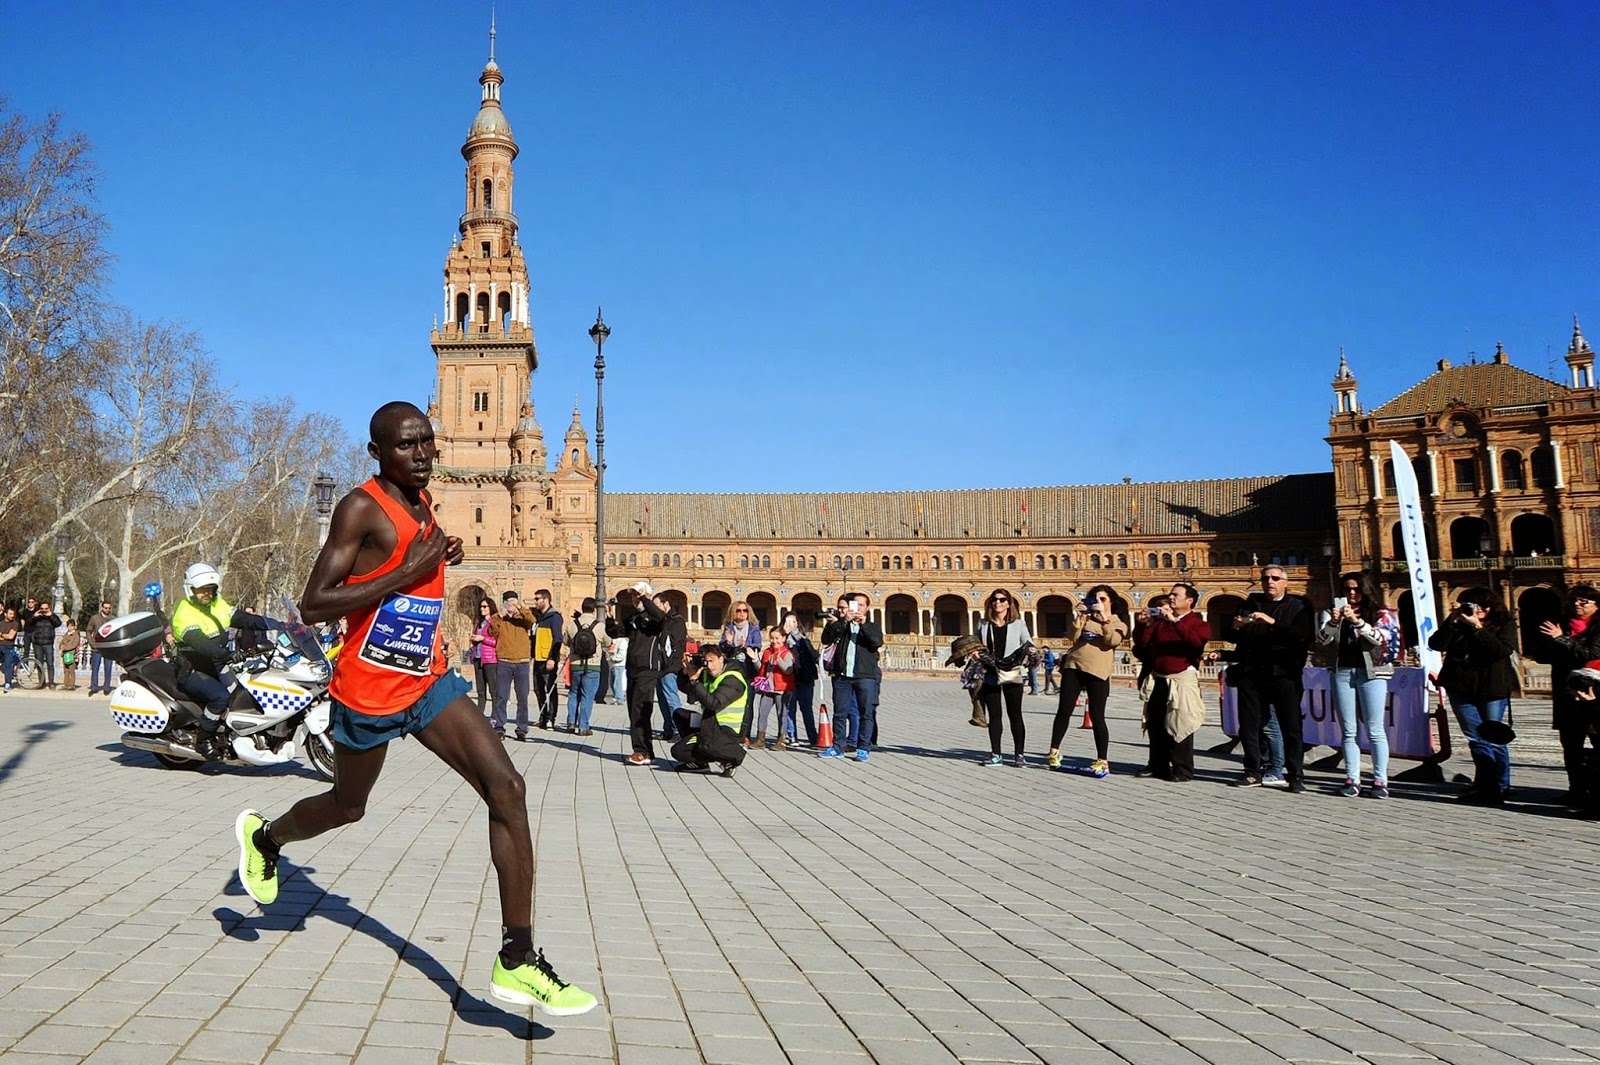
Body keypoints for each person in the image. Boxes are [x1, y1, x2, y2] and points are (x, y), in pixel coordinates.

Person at [231, 400, 597, 1017]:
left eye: (426, 441)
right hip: (368, 691)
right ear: (378, 453)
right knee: (349, 807)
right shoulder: (360, 507)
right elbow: (315, 602)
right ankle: (265, 839)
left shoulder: (422, 497)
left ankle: (517, 957)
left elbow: (412, 570)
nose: (423, 453)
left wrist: (440, 554)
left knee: (507, 787)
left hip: (426, 681)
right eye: (407, 445)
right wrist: (409, 570)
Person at [1219, 565, 1314, 792]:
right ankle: (1252, 771)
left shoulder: (1300, 605)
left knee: (1290, 726)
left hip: (1284, 674)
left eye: (1275, 578)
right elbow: (1230, 635)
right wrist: (1236, 625)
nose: (1269, 582)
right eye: (1265, 578)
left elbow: (1302, 636)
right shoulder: (1249, 603)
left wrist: (1270, 622)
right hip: (1252, 673)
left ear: (1285, 582)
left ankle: (1295, 775)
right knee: (1249, 726)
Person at [170, 563, 273, 760]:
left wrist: (272, 624)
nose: (206, 593)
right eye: (201, 590)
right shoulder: (184, 613)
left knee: (243, 693)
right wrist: (226, 655)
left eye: (210, 589)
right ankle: (203, 740)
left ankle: (233, 734)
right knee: (220, 698)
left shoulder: (217, 604)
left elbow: (242, 618)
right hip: (193, 669)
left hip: (216, 665)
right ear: (190, 590)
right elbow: (200, 643)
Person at [1316, 571, 1401, 799]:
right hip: (1342, 672)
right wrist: (1334, 622)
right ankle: (1352, 778)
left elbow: (1381, 639)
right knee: (1348, 730)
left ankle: (1380, 780)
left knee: (1375, 729)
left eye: (1356, 589)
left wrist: (1357, 622)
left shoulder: (1382, 613)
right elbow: (1323, 640)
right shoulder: (1330, 612)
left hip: (1372, 673)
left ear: (1365, 589)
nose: (1351, 594)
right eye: (1346, 589)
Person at [1430, 588, 1519, 805]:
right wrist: (1452, 621)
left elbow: (1501, 650)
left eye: (1481, 606)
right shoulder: (1457, 624)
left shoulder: (1504, 624)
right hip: (1460, 687)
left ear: (1492, 608)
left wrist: (1478, 628)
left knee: (1493, 737)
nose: (1476, 610)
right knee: (1476, 738)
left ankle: (1500, 785)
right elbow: (1436, 644)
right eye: (1470, 605)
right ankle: (1486, 786)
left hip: (1491, 687)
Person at [1047, 584, 1129, 776]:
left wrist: (1104, 620)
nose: (1098, 603)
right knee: (1063, 710)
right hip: (1074, 667)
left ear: (1111, 602)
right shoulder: (1086, 619)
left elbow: (1112, 641)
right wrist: (1079, 617)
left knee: (1097, 715)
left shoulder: (1118, 622)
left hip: (1098, 671)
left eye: (1103, 599)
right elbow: (1073, 637)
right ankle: (1054, 751)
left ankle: (1102, 759)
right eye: (1095, 599)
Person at [1134, 583, 1209, 782]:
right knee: (1156, 723)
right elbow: (1142, 641)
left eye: (1176, 594)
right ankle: (1157, 765)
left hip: (1182, 678)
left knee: (1181, 722)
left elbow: (1195, 642)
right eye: (1171, 594)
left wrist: (1175, 621)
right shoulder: (1161, 622)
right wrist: (1143, 623)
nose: (1171, 597)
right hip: (1159, 677)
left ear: (1189, 601)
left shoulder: (1197, 622)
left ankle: (1182, 769)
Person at [1539, 585, 1600, 814]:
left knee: (1598, 742)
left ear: (1596, 605)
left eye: (1584, 601)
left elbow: (1591, 654)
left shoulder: (1597, 627)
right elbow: (1542, 655)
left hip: (1594, 693)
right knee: (1571, 744)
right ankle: (1576, 790)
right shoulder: (1561, 625)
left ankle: (1595, 792)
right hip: (1567, 693)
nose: (1577, 604)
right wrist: (1549, 640)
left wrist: (1561, 640)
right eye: (1575, 600)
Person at [974, 588, 1036, 768]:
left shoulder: (1018, 624)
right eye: (994, 600)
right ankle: (996, 754)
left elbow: (1028, 641)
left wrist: (1031, 649)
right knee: (995, 715)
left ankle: (1019, 754)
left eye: (1002, 600)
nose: (997, 603)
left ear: (1009, 603)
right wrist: (974, 653)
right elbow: (976, 643)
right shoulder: (983, 624)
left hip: (1011, 670)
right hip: (991, 671)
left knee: (1015, 714)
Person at [611, 583, 671, 766]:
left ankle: (642, 751)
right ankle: (645, 751)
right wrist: (608, 618)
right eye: (632, 597)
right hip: (633, 668)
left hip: (648, 668)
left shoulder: (655, 618)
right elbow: (617, 632)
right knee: (633, 710)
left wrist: (645, 598)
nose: (634, 599)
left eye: (637, 595)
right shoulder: (634, 617)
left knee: (641, 710)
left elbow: (661, 617)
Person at [820, 592, 882, 762]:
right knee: (840, 713)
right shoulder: (841, 625)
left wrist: (863, 626)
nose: (858, 608)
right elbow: (826, 638)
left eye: (861, 605)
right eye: (855, 605)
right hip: (842, 675)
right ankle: (837, 746)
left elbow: (876, 642)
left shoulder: (873, 626)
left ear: (867, 608)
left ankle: (863, 748)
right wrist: (843, 621)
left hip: (865, 676)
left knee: (866, 713)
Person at [670, 644, 747, 776]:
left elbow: (713, 703)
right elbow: (688, 690)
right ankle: (701, 763)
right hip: (709, 724)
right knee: (679, 715)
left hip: (727, 730)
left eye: (712, 661)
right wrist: (685, 672)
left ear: (721, 658)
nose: (710, 667)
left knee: (679, 750)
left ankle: (732, 755)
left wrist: (695, 681)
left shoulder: (733, 679)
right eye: (706, 662)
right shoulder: (706, 673)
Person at [489, 592, 534, 740]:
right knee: (501, 696)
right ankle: (499, 726)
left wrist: (520, 608)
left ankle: (521, 728)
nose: (511, 605)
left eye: (513, 602)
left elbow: (532, 620)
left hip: (522, 662)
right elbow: (492, 632)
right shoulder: (500, 618)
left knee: (522, 697)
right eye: (508, 602)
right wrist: (499, 617)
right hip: (504, 662)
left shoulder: (523, 618)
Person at [563, 597, 610, 736]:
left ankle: (571, 722)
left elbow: (566, 641)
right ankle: (583, 726)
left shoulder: (572, 624)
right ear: (594, 609)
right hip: (593, 665)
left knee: (573, 693)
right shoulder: (599, 626)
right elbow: (607, 641)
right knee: (587, 696)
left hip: (576, 664)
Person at [751, 626, 795, 749]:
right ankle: (760, 739)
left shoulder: (787, 654)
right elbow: (762, 670)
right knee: (762, 713)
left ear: (784, 638)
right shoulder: (767, 652)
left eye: (777, 638)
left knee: (782, 714)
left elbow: (788, 670)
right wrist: (755, 660)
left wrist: (778, 660)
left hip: (782, 689)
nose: (774, 641)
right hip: (768, 689)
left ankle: (781, 740)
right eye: (772, 638)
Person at [780, 613, 819, 747]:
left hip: (805, 677)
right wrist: (783, 636)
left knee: (806, 708)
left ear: (797, 623)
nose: (791, 624)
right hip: (789, 678)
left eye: (793, 621)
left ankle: (813, 737)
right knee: (790, 708)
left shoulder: (803, 639)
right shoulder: (781, 640)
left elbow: (813, 655)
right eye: (787, 621)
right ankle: (792, 736)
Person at [528, 589, 563, 730]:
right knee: (538, 689)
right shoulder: (538, 618)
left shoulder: (554, 617)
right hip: (537, 658)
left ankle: (551, 718)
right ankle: (542, 717)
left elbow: (557, 639)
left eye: (538, 599)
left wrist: (552, 658)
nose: (535, 601)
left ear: (546, 599)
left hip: (548, 659)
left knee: (550, 689)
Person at [654, 593, 687, 741]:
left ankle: (679, 730)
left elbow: (677, 644)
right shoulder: (662, 621)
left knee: (671, 698)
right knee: (662, 699)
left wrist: (672, 663)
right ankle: (668, 729)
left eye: (657, 606)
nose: (655, 609)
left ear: (666, 604)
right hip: (660, 666)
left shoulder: (676, 621)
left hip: (670, 666)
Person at [468, 597, 499, 717]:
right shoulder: (479, 623)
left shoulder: (494, 622)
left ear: (490, 607)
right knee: (480, 690)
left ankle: (495, 716)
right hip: (478, 657)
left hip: (490, 659)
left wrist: (483, 639)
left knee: (493, 690)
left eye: (485, 607)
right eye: (481, 607)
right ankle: (479, 715)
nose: (482, 609)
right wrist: (474, 639)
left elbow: (498, 642)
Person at [719, 599, 762, 682]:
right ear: (733, 612)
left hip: (748, 665)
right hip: (733, 664)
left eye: (745, 610)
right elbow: (722, 648)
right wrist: (729, 642)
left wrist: (745, 644)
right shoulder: (729, 627)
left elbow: (758, 645)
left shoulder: (753, 627)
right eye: (738, 610)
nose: (742, 613)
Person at [24, 600, 61, 689]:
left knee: (50, 664)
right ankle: (41, 682)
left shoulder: (52, 616)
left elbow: (58, 623)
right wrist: (34, 616)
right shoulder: (37, 617)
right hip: (37, 643)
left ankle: (51, 682)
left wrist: (51, 615)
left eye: (46, 608)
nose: (44, 610)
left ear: (49, 608)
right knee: (39, 664)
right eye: (42, 609)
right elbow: (28, 623)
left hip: (48, 643)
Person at [87, 600, 116, 694]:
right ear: (102, 608)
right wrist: (92, 643)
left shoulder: (113, 619)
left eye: (109, 608)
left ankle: (106, 687)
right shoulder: (95, 618)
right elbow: (88, 631)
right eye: (105, 608)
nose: (107, 610)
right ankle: (94, 686)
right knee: (95, 668)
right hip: (97, 647)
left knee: (108, 668)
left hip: (108, 648)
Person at [0, 606, 19, 692]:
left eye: (13, 614)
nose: (12, 615)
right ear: (5, 614)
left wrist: (1, 635)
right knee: (3, 666)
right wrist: (4, 636)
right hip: (0, 646)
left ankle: (8, 683)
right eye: (10, 614)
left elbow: (11, 636)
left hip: (9, 647)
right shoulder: (1, 624)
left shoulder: (15, 624)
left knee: (8, 665)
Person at [59, 619, 81, 690]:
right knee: (66, 670)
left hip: (72, 654)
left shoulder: (76, 635)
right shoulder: (66, 634)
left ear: (74, 626)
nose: (70, 628)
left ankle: (72, 685)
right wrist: (61, 646)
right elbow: (61, 642)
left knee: (71, 670)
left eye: (72, 626)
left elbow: (74, 645)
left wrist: (65, 648)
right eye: (69, 626)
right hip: (65, 655)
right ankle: (66, 684)